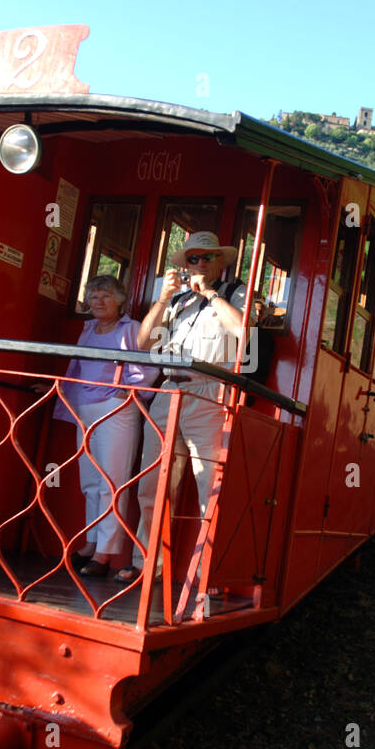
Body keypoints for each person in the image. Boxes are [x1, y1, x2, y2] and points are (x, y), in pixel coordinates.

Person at [125, 231, 249, 583]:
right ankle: (146, 565)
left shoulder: (235, 293)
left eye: (206, 258)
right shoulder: (176, 301)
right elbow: (144, 342)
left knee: (209, 484)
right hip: (168, 392)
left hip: (209, 392)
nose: (198, 265)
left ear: (220, 262)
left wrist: (209, 293)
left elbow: (244, 332)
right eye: (192, 259)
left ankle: (206, 572)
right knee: (153, 483)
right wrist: (163, 299)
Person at [50, 275, 158, 577]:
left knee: (112, 481)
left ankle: (105, 552)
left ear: (120, 300)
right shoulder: (87, 329)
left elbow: (150, 366)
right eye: (93, 296)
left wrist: (126, 393)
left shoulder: (133, 329)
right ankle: (92, 540)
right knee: (90, 481)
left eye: (105, 296)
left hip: (116, 408)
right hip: (84, 408)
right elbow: (77, 366)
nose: (98, 302)